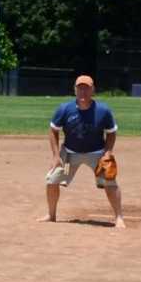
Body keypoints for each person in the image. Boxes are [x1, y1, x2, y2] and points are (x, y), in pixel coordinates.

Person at [46, 74, 124, 228]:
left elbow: (111, 132)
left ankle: (119, 217)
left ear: (93, 90)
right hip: (69, 155)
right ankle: (51, 215)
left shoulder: (103, 110)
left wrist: (108, 152)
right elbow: (53, 130)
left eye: (86, 88)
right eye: (80, 88)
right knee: (52, 180)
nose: (83, 92)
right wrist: (56, 156)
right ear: (75, 90)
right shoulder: (64, 109)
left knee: (110, 182)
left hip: (97, 154)